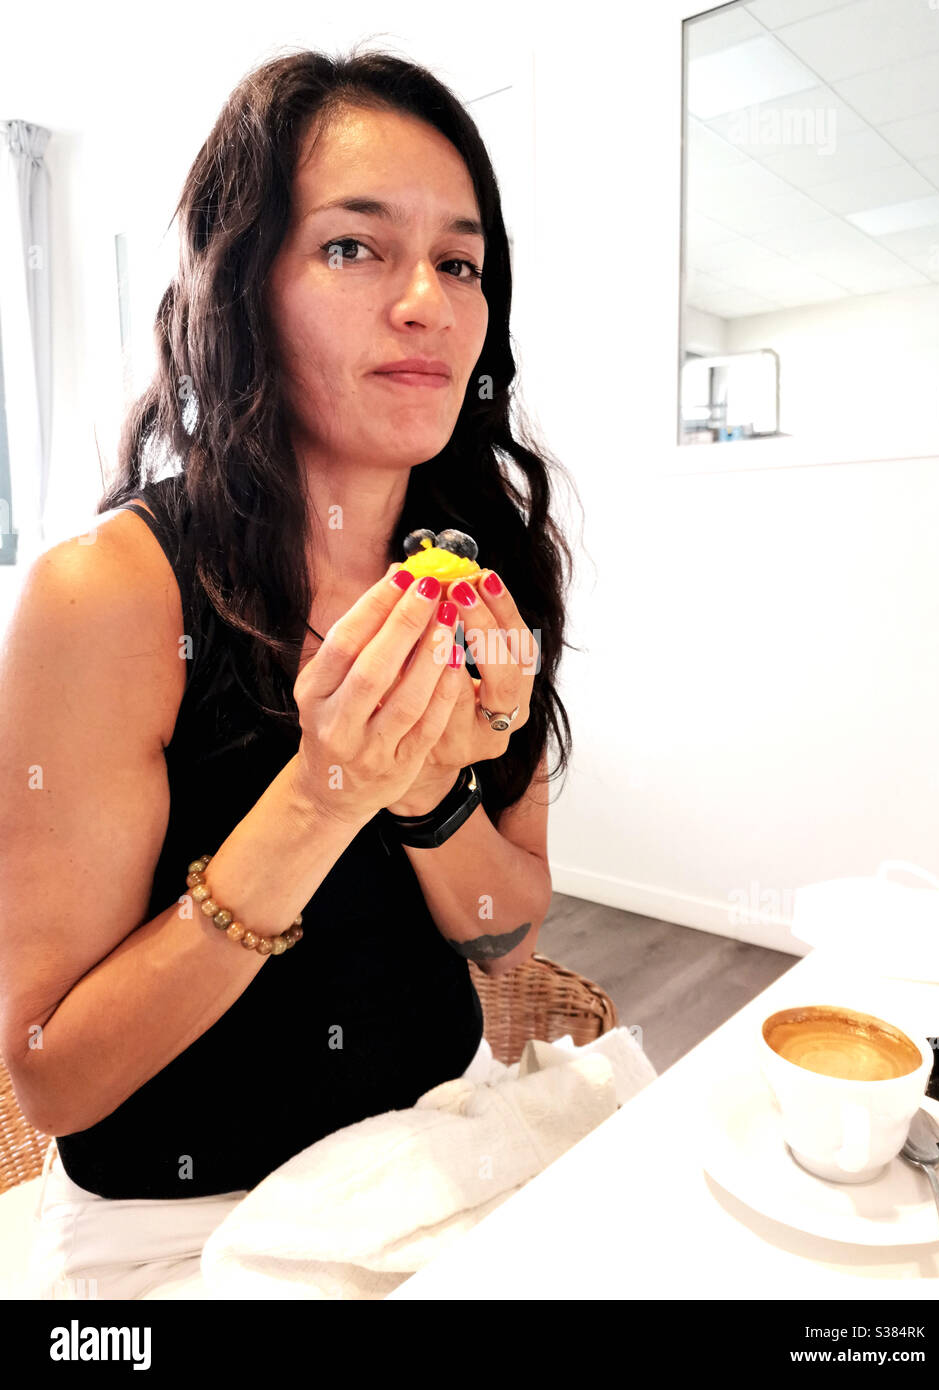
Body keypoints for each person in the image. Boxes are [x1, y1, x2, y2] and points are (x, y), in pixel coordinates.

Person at [0, 44, 575, 1300]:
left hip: (444, 1143)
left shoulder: (497, 582)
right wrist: (323, 794)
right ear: (240, 286)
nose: (427, 299)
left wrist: (430, 796)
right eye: (355, 247)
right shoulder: (110, 593)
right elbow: (53, 1073)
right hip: (177, 1226)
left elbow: (505, 932)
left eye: (462, 262)